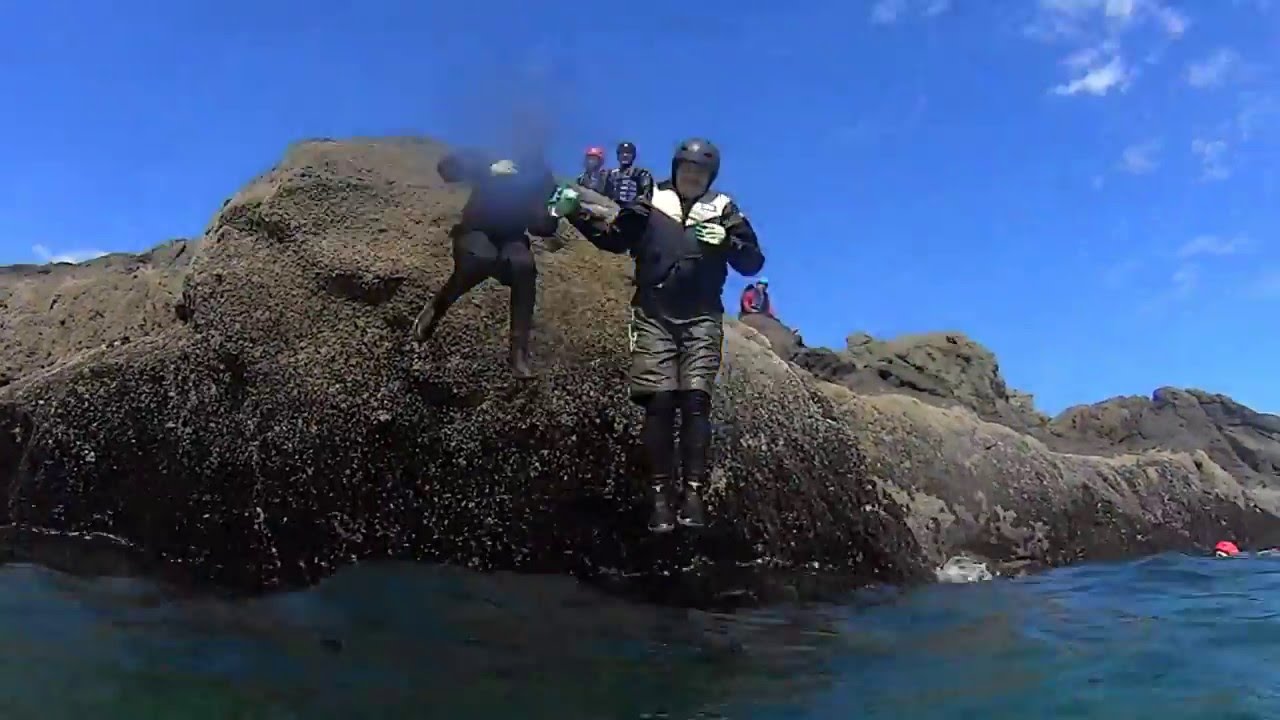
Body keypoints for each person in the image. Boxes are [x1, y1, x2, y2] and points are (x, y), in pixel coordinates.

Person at [563, 138, 765, 533]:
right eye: (687, 168)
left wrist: (728, 242)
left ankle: (692, 494)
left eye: (701, 171)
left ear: (710, 176)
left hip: (701, 316)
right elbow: (615, 238)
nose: (693, 176)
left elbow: (753, 261)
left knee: (694, 400)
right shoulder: (650, 199)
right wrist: (575, 215)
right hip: (654, 313)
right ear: (676, 168)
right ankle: (659, 499)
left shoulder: (724, 209)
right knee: (659, 401)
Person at [411, 146, 561, 379]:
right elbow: (446, 170)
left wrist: (555, 213)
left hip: (511, 237)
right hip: (474, 230)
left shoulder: (541, 176)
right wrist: (487, 170)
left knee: (525, 268)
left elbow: (538, 227)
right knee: (481, 258)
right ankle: (437, 307)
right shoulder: (493, 151)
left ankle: (518, 353)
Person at [604, 141, 655, 206]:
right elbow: (605, 195)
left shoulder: (641, 174)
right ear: (618, 156)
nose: (625, 155)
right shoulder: (611, 175)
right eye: (622, 152)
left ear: (633, 156)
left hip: (634, 211)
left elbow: (646, 197)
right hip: (612, 209)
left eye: (628, 152)